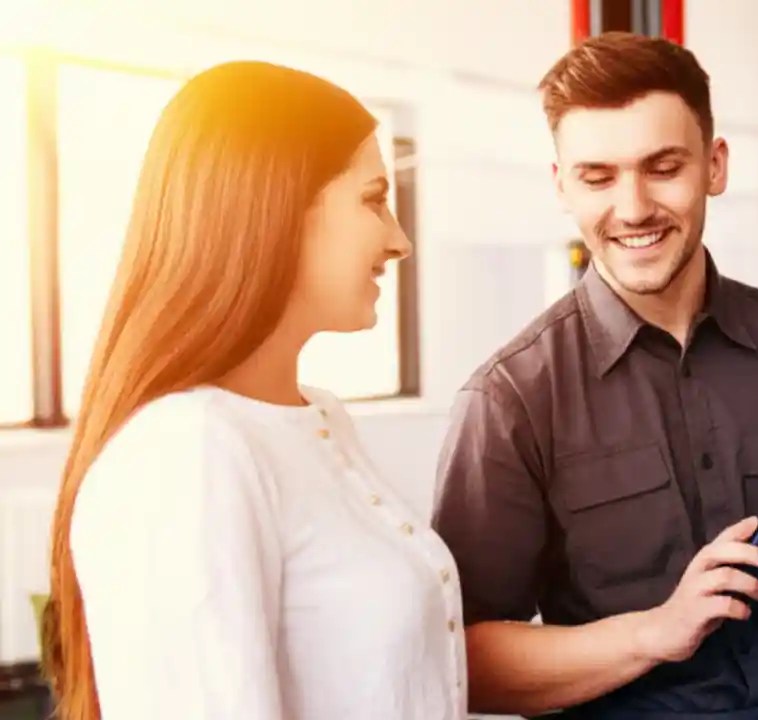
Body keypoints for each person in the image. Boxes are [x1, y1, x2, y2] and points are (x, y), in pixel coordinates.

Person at [432, 32, 758, 720]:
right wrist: (652, 634)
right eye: (598, 177)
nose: (633, 208)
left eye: (662, 167)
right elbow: (463, 664)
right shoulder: (512, 396)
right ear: (561, 186)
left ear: (714, 166)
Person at [41, 61, 465, 720]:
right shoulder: (189, 453)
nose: (399, 239)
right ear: (274, 206)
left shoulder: (317, 418)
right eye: (373, 198)